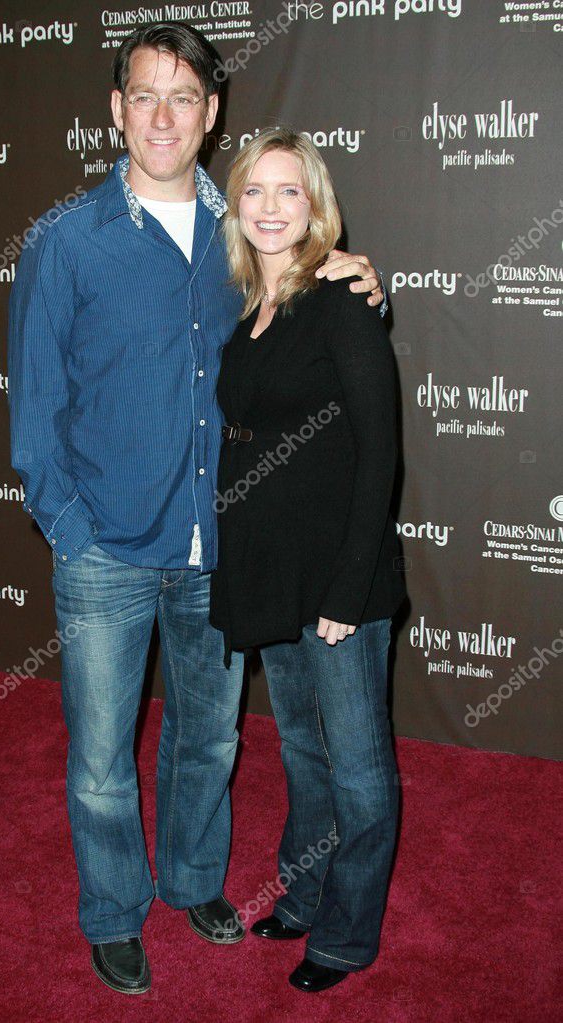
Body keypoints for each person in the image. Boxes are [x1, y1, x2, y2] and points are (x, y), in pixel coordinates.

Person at [7, 23, 387, 996]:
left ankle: (189, 883)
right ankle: (113, 911)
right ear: (115, 110)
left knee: (208, 738)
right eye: (144, 95)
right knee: (100, 754)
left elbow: (308, 293)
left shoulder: (243, 236)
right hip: (105, 548)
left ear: (213, 113)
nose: (163, 116)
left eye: (183, 96)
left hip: (221, 545)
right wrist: (69, 525)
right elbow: (35, 407)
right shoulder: (64, 241)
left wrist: (354, 269)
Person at [209, 126, 406, 993]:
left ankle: (349, 933)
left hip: (337, 578)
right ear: (237, 206)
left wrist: (349, 586)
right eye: (255, 190)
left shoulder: (340, 299)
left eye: (290, 191)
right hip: (269, 568)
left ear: (315, 204)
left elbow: (379, 453)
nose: (271, 207)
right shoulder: (248, 308)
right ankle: (306, 888)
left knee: (359, 766)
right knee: (300, 748)